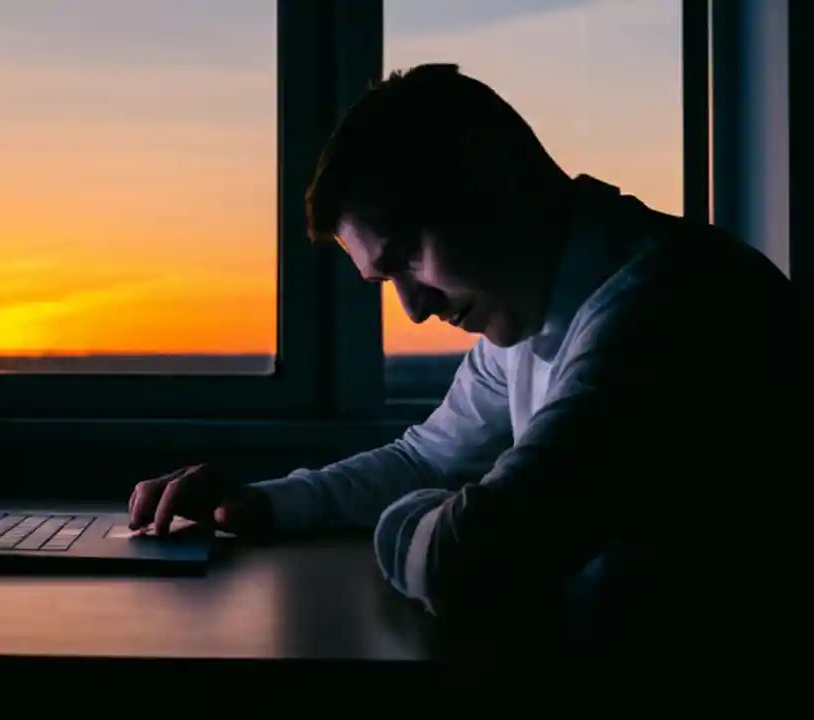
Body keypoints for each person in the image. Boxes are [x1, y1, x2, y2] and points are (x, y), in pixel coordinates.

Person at [127, 64, 796, 658]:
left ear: (493, 186)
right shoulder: (538, 311)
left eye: (409, 259)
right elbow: (427, 460)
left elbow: (469, 560)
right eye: (385, 281)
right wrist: (260, 505)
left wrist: (427, 512)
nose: (415, 309)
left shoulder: (664, 308)